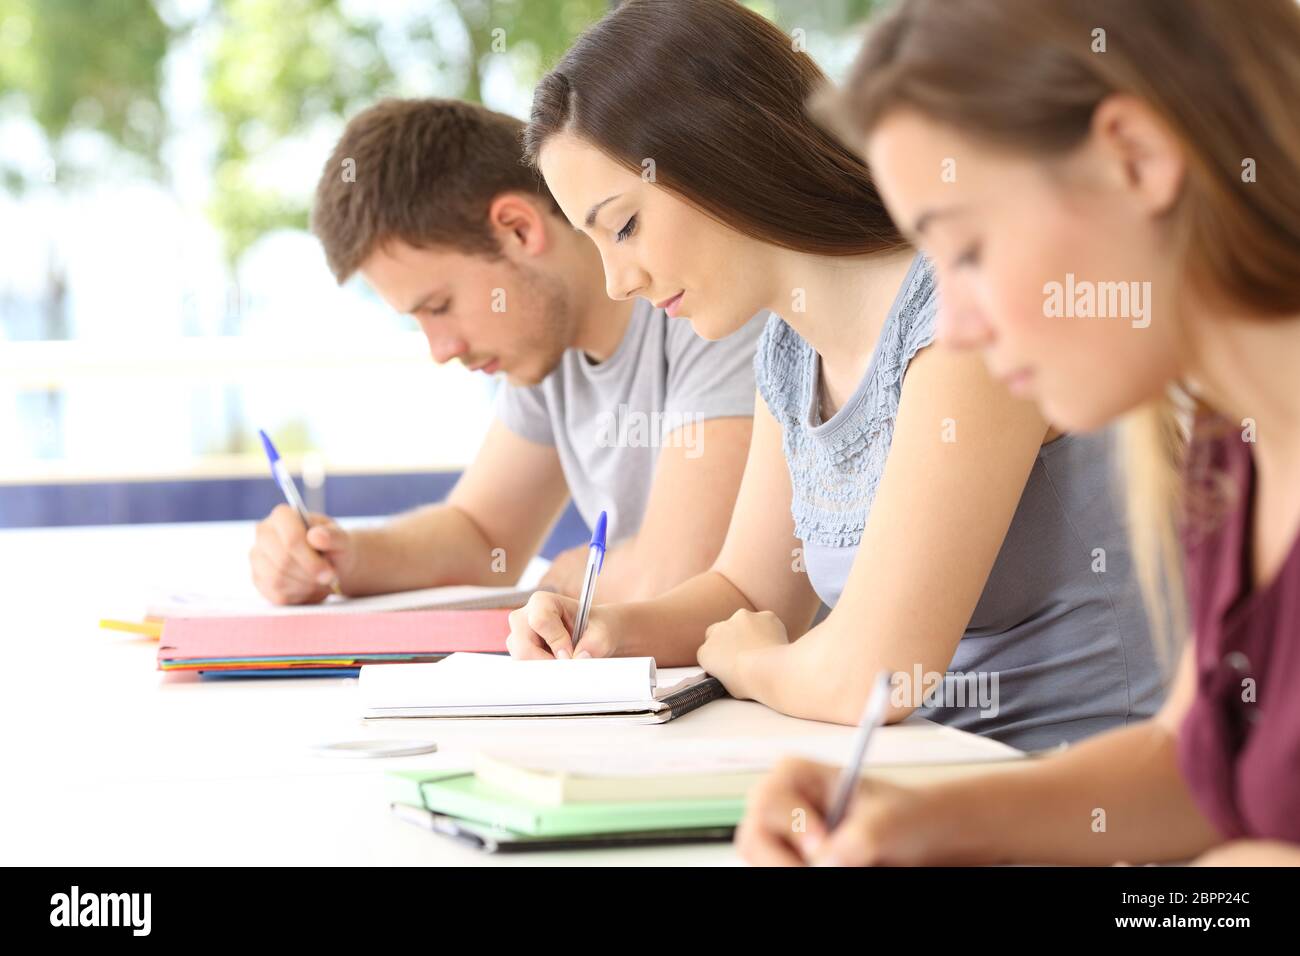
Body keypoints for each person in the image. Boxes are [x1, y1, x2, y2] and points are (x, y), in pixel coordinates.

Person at [507, 0, 1161, 751]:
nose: (618, 281)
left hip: (1080, 792)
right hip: (930, 774)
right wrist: (607, 631)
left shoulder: (962, 317)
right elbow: (749, 594)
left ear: (725, 151)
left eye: (623, 226)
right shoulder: (785, 356)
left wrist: (753, 665)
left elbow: (875, 678)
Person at [740, 0, 1300, 864]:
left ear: (1137, 159)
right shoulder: (1235, 447)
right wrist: (927, 822)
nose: (953, 325)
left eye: (964, 251)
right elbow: (1195, 769)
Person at [248, 98, 763, 605]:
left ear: (519, 228)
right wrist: (340, 557)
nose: (440, 349)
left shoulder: (702, 304)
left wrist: (566, 581)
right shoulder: (546, 348)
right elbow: (481, 537)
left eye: (439, 305)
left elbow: (682, 578)